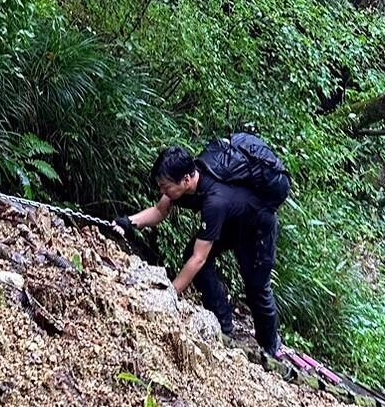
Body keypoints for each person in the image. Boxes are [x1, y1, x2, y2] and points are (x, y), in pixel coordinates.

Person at [116, 146, 281, 355]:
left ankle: (270, 348)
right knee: (192, 256)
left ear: (185, 180)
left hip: (257, 228)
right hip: (229, 223)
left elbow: (199, 258)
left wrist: (169, 295)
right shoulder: (182, 183)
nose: (162, 191)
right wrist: (129, 222)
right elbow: (159, 210)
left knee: (256, 286)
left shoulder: (214, 201)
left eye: (164, 187)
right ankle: (223, 325)